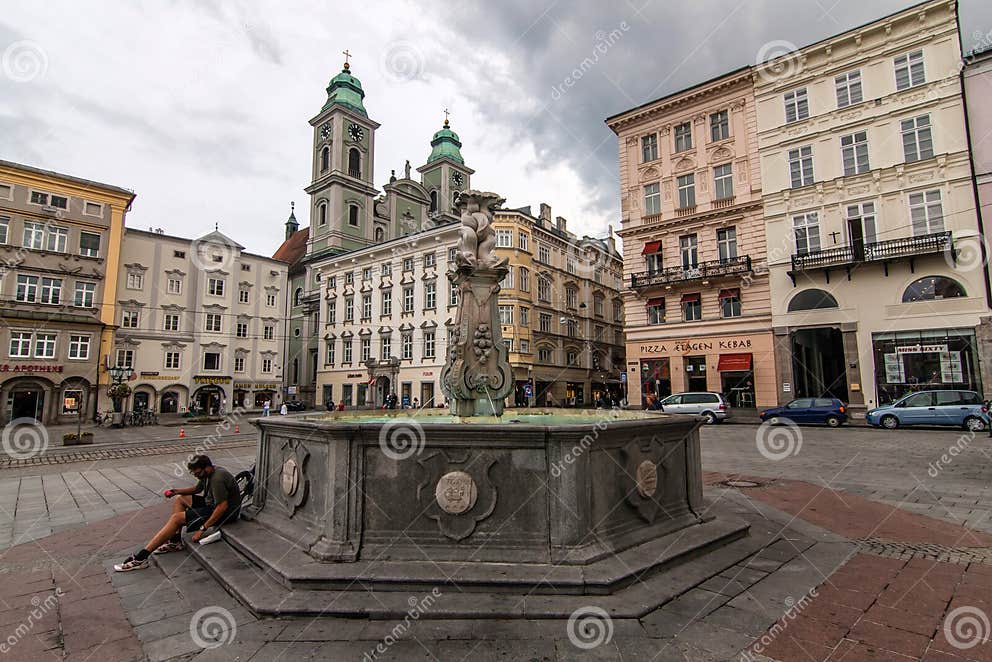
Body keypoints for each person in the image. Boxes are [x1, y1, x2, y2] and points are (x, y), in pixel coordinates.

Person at [114, 455, 242, 572]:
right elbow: (197, 489)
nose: (195, 475)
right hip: (211, 504)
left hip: (225, 514)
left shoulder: (218, 478)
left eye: (197, 473)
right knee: (180, 499)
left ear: (207, 468)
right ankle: (175, 542)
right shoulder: (208, 473)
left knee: (176, 519)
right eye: (193, 473)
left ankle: (141, 558)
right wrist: (176, 491)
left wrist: (202, 529)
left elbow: (222, 506)